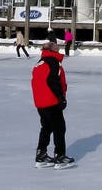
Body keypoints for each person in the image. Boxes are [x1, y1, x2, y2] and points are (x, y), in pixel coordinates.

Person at [31, 41, 75, 170]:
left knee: (46, 127)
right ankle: (60, 156)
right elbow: (52, 81)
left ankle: (41, 154)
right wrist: (61, 98)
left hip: (40, 101)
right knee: (59, 127)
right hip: (51, 100)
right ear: (52, 50)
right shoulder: (52, 62)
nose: (59, 48)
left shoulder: (41, 62)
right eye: (56, 46)